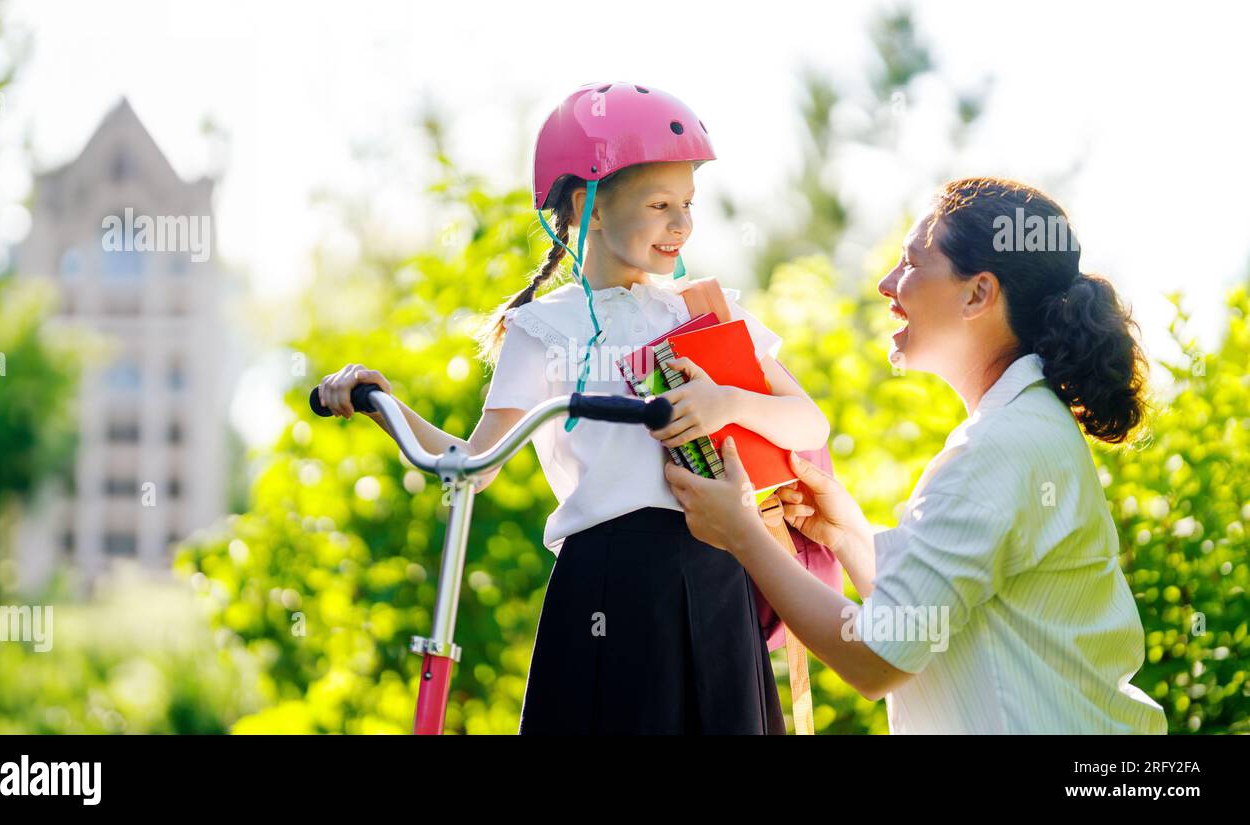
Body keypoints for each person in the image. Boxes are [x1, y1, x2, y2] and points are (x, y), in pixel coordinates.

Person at [316, 82, 830, 734]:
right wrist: (381, 404)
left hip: (718, 565)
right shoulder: (542, 329)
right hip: (607, 579)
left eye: (688, 205)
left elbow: (809, 421)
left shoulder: (699, 310)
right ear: (588, 205)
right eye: (660, 203)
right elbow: (474, 464)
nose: (682, 223)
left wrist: (725, 400)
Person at [666, 177, 1168, 734]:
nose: (886, 284)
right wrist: (847, 536)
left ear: (977, 294)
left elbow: (877, 660)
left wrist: (742, 533)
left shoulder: (1000, 448)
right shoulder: (1024, 427)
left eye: (909, 264)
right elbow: (930, 617)